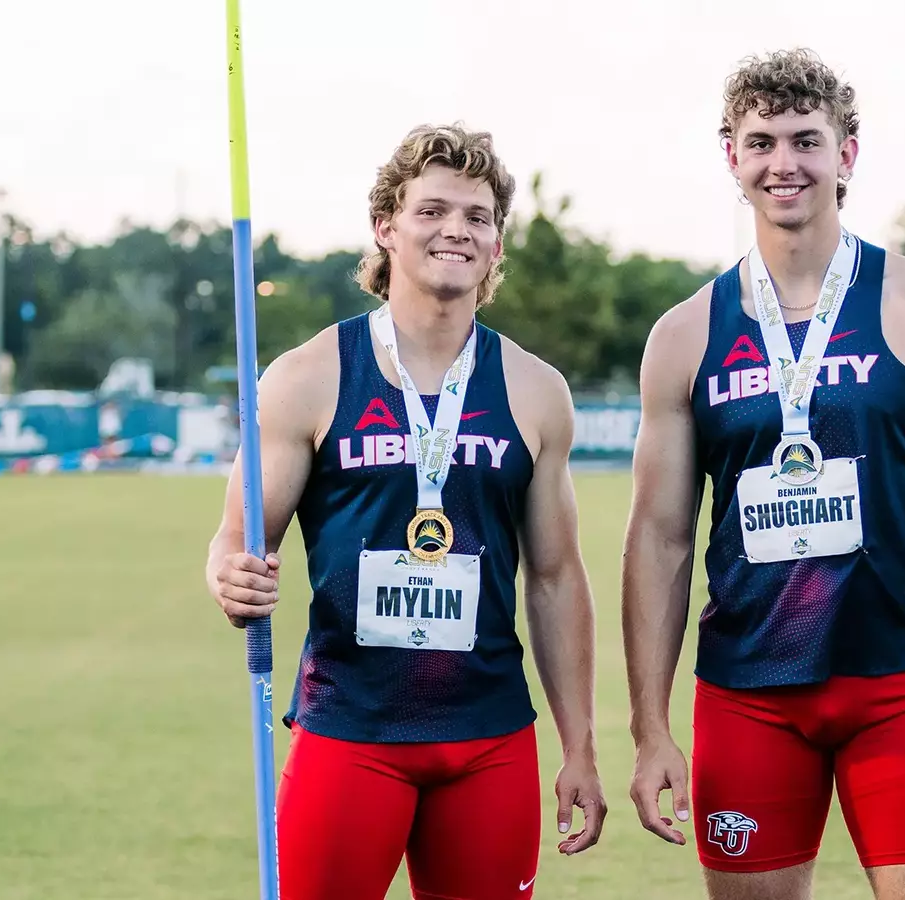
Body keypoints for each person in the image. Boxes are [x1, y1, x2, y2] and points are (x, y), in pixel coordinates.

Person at [620, 49, 905, 900]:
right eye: (761, 142)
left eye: (805, 139)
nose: (783, 163)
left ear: (847, 153)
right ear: (732, 158)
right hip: (748, 694)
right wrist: (650, 730)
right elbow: (660, 539)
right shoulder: (684, 334)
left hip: (898, 684)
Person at [205, 123, 606, 900]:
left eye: (478, 217)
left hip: (490, 738)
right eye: (433, 210)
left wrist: (580, 746)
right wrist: (232, 580)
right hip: (350, 732)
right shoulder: (308, 377)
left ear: (496, 246)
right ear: (386, 226)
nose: (456, 229)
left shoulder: (534, 390)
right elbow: (234, 540)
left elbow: (555, 579)